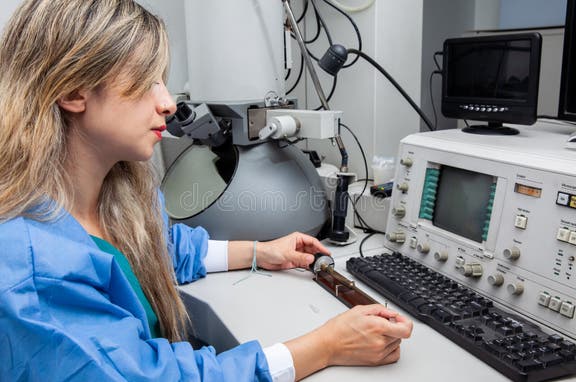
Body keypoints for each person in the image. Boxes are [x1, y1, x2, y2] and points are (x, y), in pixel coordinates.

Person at [0, 0, 413, 381]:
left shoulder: (113, 194)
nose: (166, 102)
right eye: (146, 81)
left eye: (163, 81)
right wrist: (325, 346)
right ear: (74, 91)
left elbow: (162, 249)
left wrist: (262, 252)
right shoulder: (34, 269)